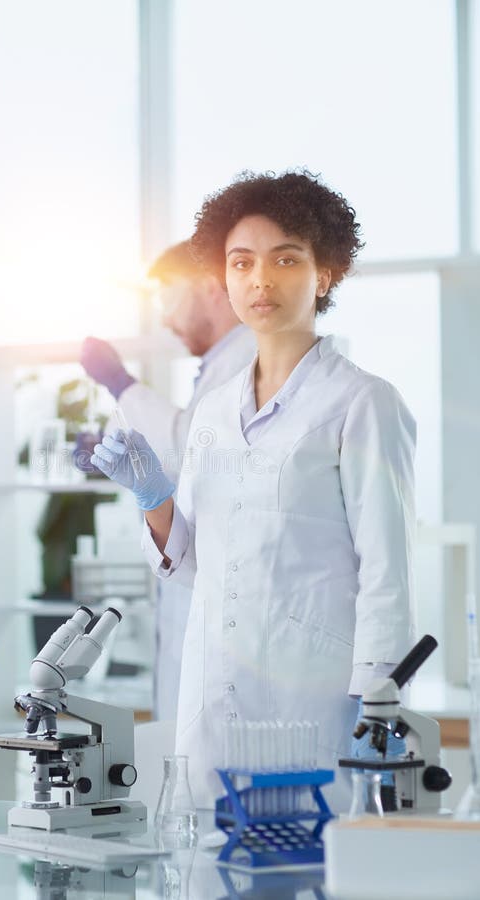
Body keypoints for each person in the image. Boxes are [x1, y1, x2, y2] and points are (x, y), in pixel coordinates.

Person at [91, 171, 415, 811]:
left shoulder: (362, 402)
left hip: (312, 700)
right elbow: (194, 564)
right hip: (212, 696)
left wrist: (379, 696)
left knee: (306, 849)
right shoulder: (213, 411)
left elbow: (387, 568)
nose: (260, 280)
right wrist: (153, 498)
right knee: (204, 847)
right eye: (241, 263)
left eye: (285, 260)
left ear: (326, 274)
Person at [81, 240, 256, 719]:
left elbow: (188, 443)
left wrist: (120, 383)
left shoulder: (248, 358)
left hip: (223, 609)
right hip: (194, 585)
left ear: (209, 286)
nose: (164, 317)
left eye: (169, 295)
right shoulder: (225, 362)